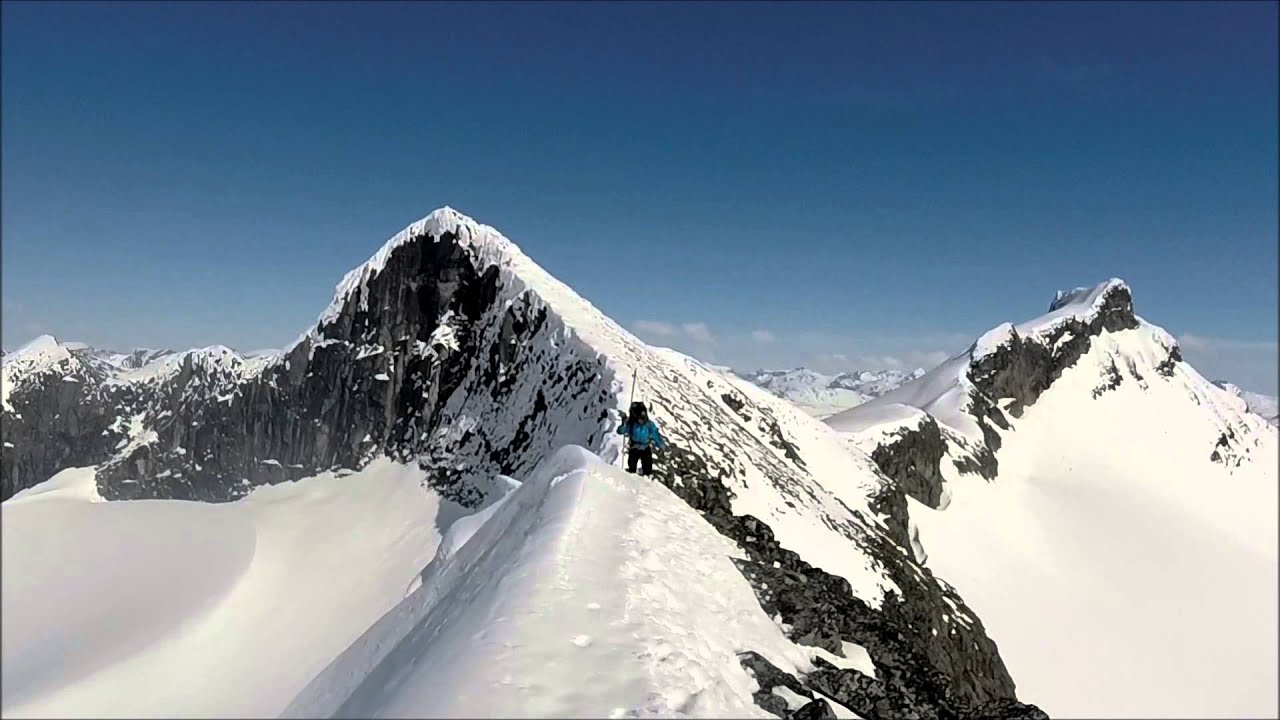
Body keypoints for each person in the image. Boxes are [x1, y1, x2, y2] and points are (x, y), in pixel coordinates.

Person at [617, 401, 663, 476]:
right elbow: (620, 431)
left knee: (647, 469)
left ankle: (644, 479)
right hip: (635, 447)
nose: (641, 421)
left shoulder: (649, 425)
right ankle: (631, 479)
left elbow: (655, 435)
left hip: (644, 448)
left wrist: (661, 445)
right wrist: (624, 423)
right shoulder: (632, 424)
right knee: (632, 468)